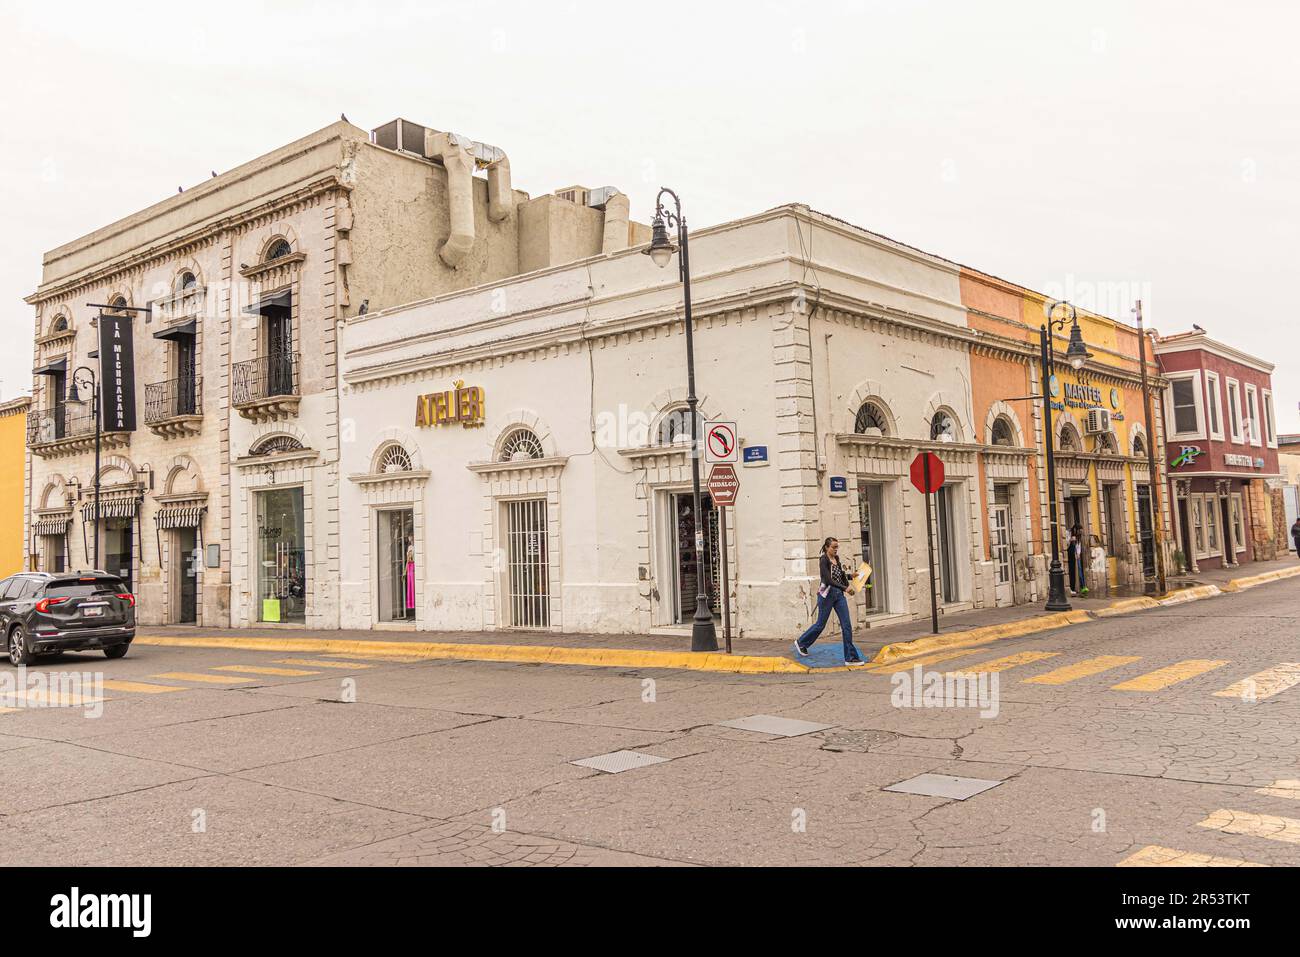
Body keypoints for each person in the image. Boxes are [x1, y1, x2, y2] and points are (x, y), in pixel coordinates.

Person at [794, 537, 865, 665]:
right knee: (820, 624)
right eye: (833, 547)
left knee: (846, 625)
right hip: (827, 595)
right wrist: (845, 588)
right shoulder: (823, 560)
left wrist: (850, 576)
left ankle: (850, 657)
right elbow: (828, 580)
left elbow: (839, 575)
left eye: (837, 547)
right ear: (827, 547)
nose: (836, 549)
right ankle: (801, 642)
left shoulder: (836, 559)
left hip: (838, 595)